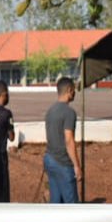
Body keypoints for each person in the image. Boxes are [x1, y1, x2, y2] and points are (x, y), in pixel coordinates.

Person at [43, 76, 82, 204]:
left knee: (56, 201)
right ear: (69, 90)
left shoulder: (50, 111)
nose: (75, 92)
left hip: (50, 158)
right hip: (63, 163)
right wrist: (76, 166)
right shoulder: (69, 113)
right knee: (71, 204)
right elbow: (69, 140)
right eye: (74, 90)